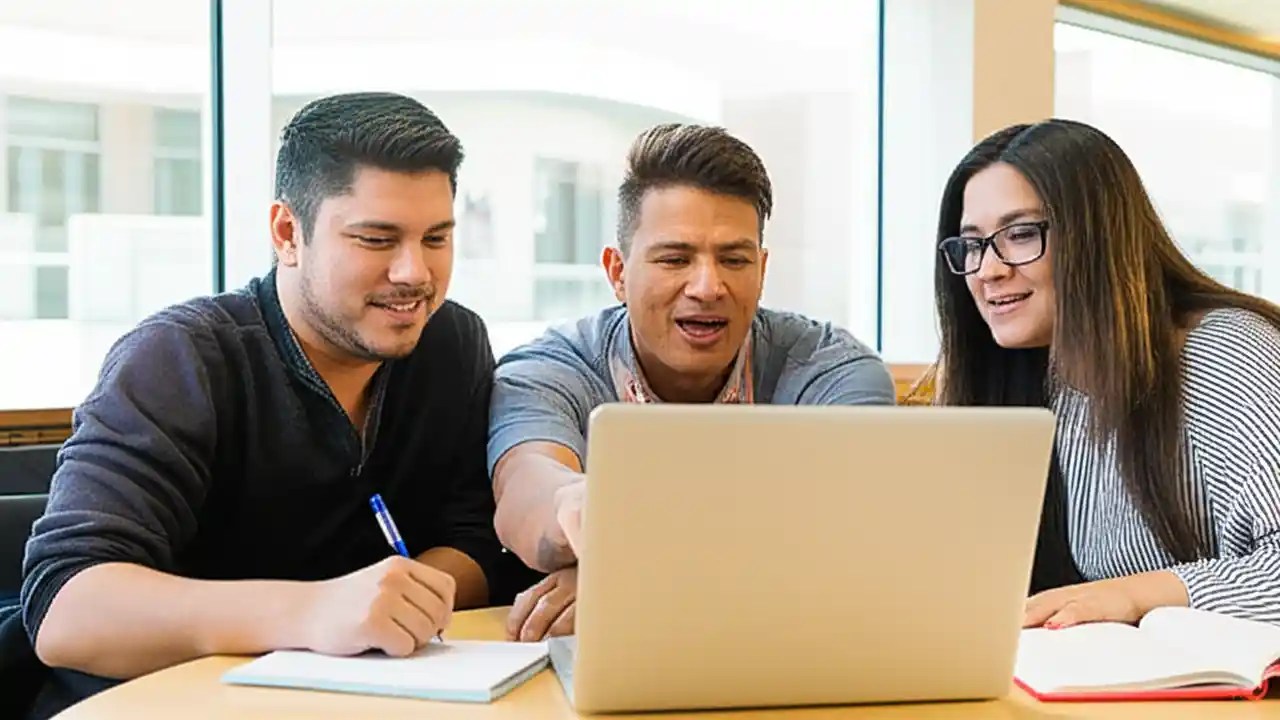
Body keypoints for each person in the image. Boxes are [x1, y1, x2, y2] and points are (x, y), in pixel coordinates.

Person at [20, 92, 503, 713]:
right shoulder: (179, 358)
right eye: (376, 240)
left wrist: (405, 599)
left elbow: (477, 540)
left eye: (436, 239)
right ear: (287, 232)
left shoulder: (453, 342)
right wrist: (313, 611)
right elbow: (68, 610)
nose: (414, 273)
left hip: (370, 698)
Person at [490, 123, 896, 642]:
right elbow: (525, 489)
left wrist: (631, 579)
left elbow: (843, 533)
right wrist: (575, 506)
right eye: (675, 259)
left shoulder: (832, 368)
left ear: (763, 269)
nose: (708, 287)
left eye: (734, 259)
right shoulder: (553, 365)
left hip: (783, 644)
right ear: (617, 271)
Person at [931, 118, 1280, 629]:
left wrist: (1136, 597)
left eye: (1022, 233)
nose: (988, 270)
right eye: (972, 245)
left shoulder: (1227, 350)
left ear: (1100, 236)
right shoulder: (1035, 380)